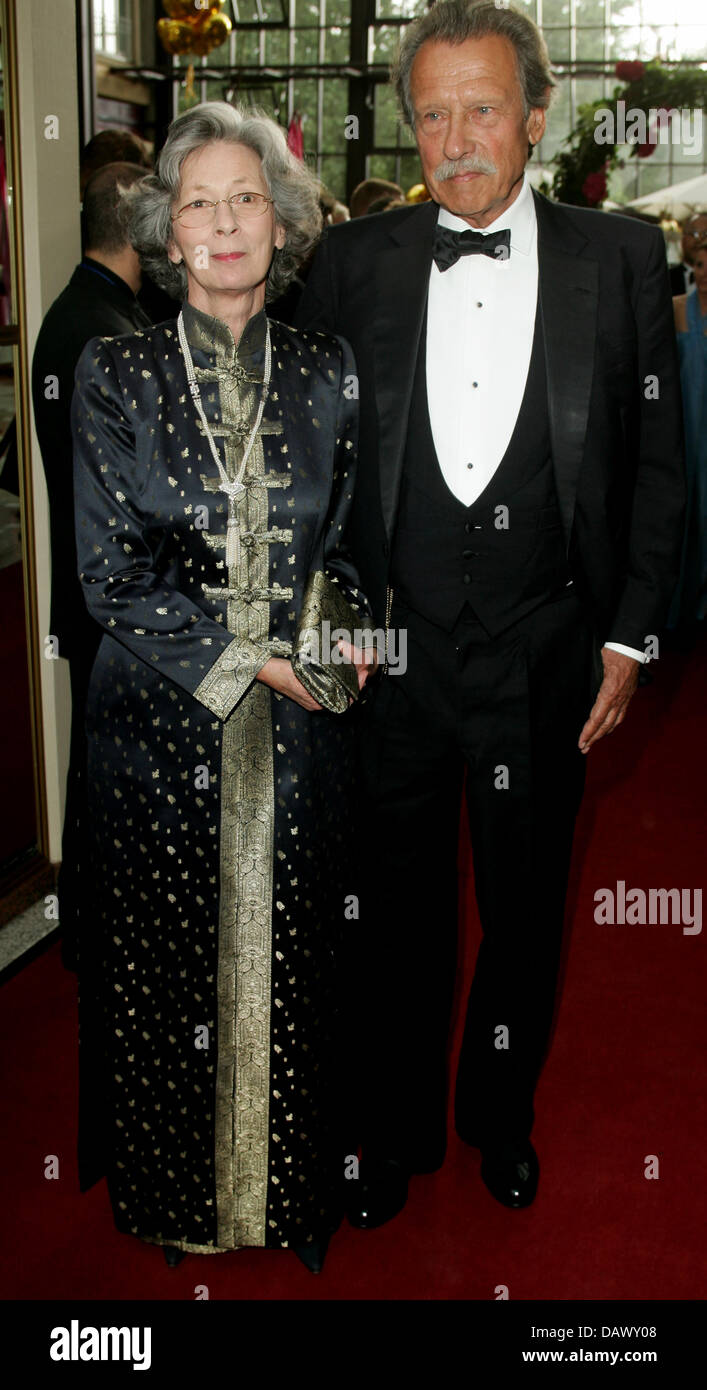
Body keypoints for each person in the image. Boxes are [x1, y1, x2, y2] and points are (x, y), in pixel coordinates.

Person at [296, 0, 685, 1227]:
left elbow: (660, 465)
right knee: (393, 908)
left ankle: (496, 1117)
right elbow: (306, 463)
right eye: (430, 113)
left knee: (522, 914)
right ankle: (395, 1127)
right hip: (389, 650)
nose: (455, 137)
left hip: (545, 649)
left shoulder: (617, 257)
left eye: (479, 108)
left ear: (533, 113)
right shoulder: (351, 265)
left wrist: (630, 634)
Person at [71, 101, 371, 1272]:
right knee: (167, 977)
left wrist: (341, 647)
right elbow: (107, 574)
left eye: (247, 196)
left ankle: (280, 1196)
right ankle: (185, 1206)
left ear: (282, 218)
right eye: (198, 201)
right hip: (153, 733)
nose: (225, 220)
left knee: (296, 965)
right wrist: (252, 663)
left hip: (301, 754)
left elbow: (346, 551)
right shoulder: (116, 371)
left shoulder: (326, 370)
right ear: (166, 228)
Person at [32, 161, 153, 973]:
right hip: (115, 606)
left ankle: (90, 928)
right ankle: (103, 935)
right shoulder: (109, 330)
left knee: (96, 773)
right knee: (111, 781)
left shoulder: (72, 312)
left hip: (89, 598)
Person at [670, 246, 707, 632]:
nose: (705, 273)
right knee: (687, 514)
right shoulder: (677, 307)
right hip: (686, 425)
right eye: (699, 265)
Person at [669, 212, 707, 297]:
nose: (699, 240)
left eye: (705, 234)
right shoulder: (665, 279)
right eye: (694, 234)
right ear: (682, 240)